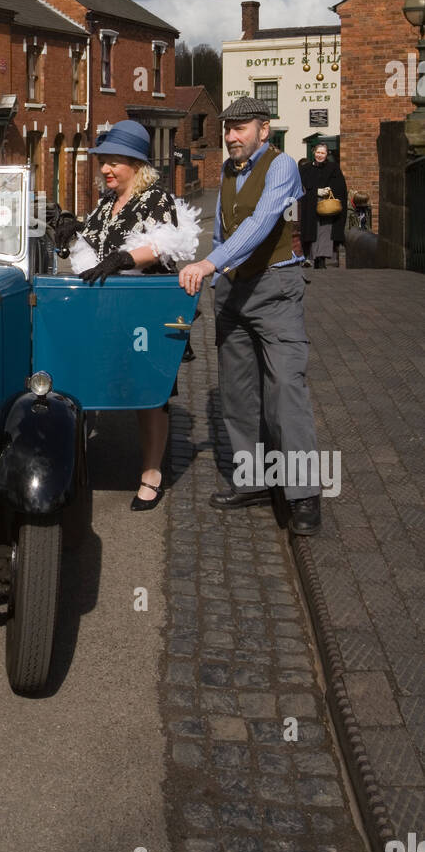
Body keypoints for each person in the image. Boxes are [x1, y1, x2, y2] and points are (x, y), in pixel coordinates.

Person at [177, 96, 322, 535]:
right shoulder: (226, 170)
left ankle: (303, 494)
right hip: (234, 294)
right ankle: (254, 480)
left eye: (240, 128)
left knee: (285, 389)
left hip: (275, 290)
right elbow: (224, 228)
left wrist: (209, 265)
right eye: (227, 128)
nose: (231, 136)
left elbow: (261, 223)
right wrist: (221, 281)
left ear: (264, 129)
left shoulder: (283, 167)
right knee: (238, 394)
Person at [51, 120, 201, 512]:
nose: (106, 169)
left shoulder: (157, 199)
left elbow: (169, 243)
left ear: (137, 164)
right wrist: (70, 232)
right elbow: (91, 258)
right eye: (104, 162)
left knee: (150, 393)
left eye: (114, 162)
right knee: (93, 377)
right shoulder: (105, 203)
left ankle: (151, 473)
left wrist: (126, 258)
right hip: (107, 308)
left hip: (145, 308)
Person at [299, 143, 347, 268]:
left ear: (327, 154)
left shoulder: (333, 168)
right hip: (310, 206)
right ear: (314, 152)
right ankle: (312, 257)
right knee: (313, 231)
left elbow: (340, 186)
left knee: (326, 231)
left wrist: (330, 189)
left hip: (327, 206)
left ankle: (322, 258)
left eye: (323, 153)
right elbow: (300, 187)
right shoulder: (305, 169)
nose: (320, 155)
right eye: (318, 152)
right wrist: (315, 191)